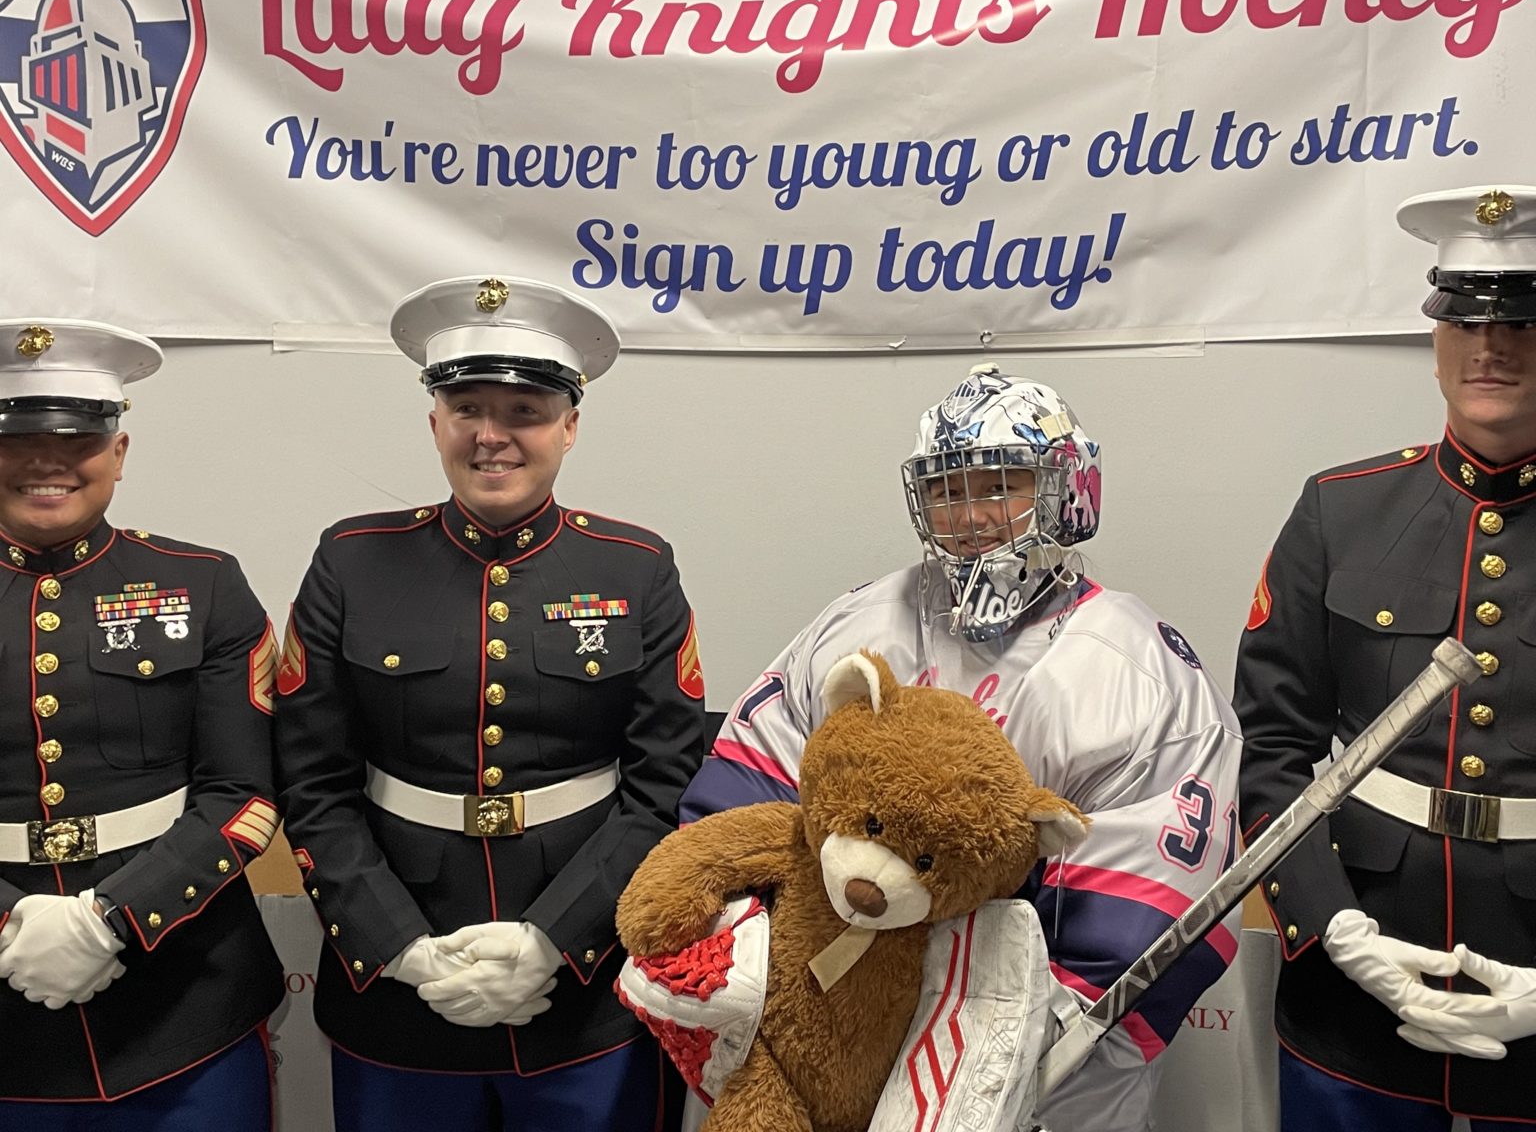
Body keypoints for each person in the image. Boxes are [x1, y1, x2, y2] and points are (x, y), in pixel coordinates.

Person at [679, 365, 1243, 1132]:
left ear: (1068, 489)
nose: (972, 515)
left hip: (1034, 1085)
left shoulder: (1135, 668)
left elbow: (1136, 938)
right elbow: (749, 802)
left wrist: (983, 1069)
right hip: (841, 1048)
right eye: (947, 490)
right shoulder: (859, 624)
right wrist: (765, 983)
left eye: (1002, 485)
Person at [275, 276, 706, 1132]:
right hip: (399, 984)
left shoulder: (635, 568)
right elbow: (310, 781)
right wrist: (397, 947)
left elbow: (666, 785)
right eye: (466, 407)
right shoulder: (351, 561)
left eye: (525, 411)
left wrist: (556, 940)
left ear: (569, 426)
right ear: (434, 420)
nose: (491, 435)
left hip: (589, 989)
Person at [1236, 184, 1536, 1129]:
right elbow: (1273, 750)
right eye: (1465, 320)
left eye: (1521, 322)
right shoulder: (1341, 510)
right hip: (1356, 992)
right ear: (1435, 337)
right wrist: (1331, 925)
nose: (1489, 347)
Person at [0, 320, 283, 1127]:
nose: (48, 461)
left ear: (119, 452)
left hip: (186, 1001)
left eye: (77, 437)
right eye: (18, 438)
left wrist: (111, 920)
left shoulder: (203, 583)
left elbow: (242, 793)